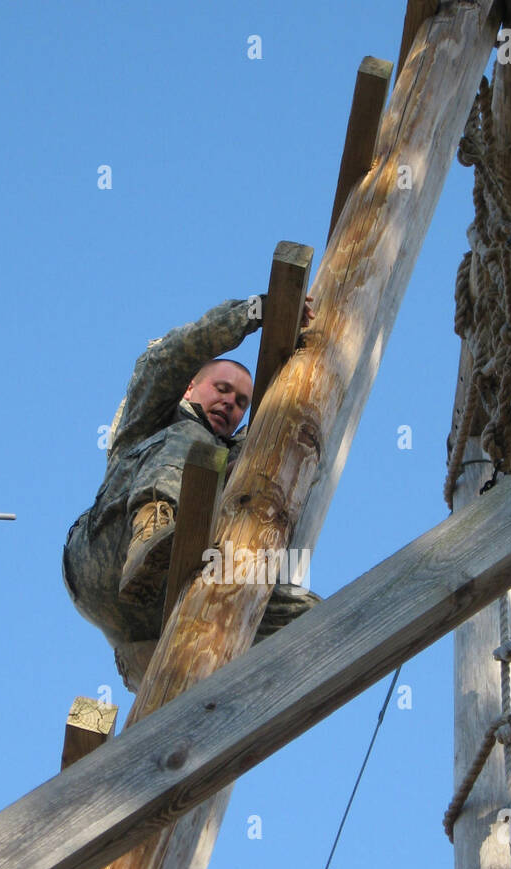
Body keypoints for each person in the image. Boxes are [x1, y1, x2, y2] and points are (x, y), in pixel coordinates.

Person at [62, 294, 319, 690]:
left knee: (306, 612)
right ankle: (151, 527)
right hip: (105, 557)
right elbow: (168, 358)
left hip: (156, 626)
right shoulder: (154, 420)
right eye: (221, 389)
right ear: (189, 388)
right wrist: (254, 313)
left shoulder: (234, 454)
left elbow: (289, 435)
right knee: (195, 443)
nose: (230, 403)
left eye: (240, 403)